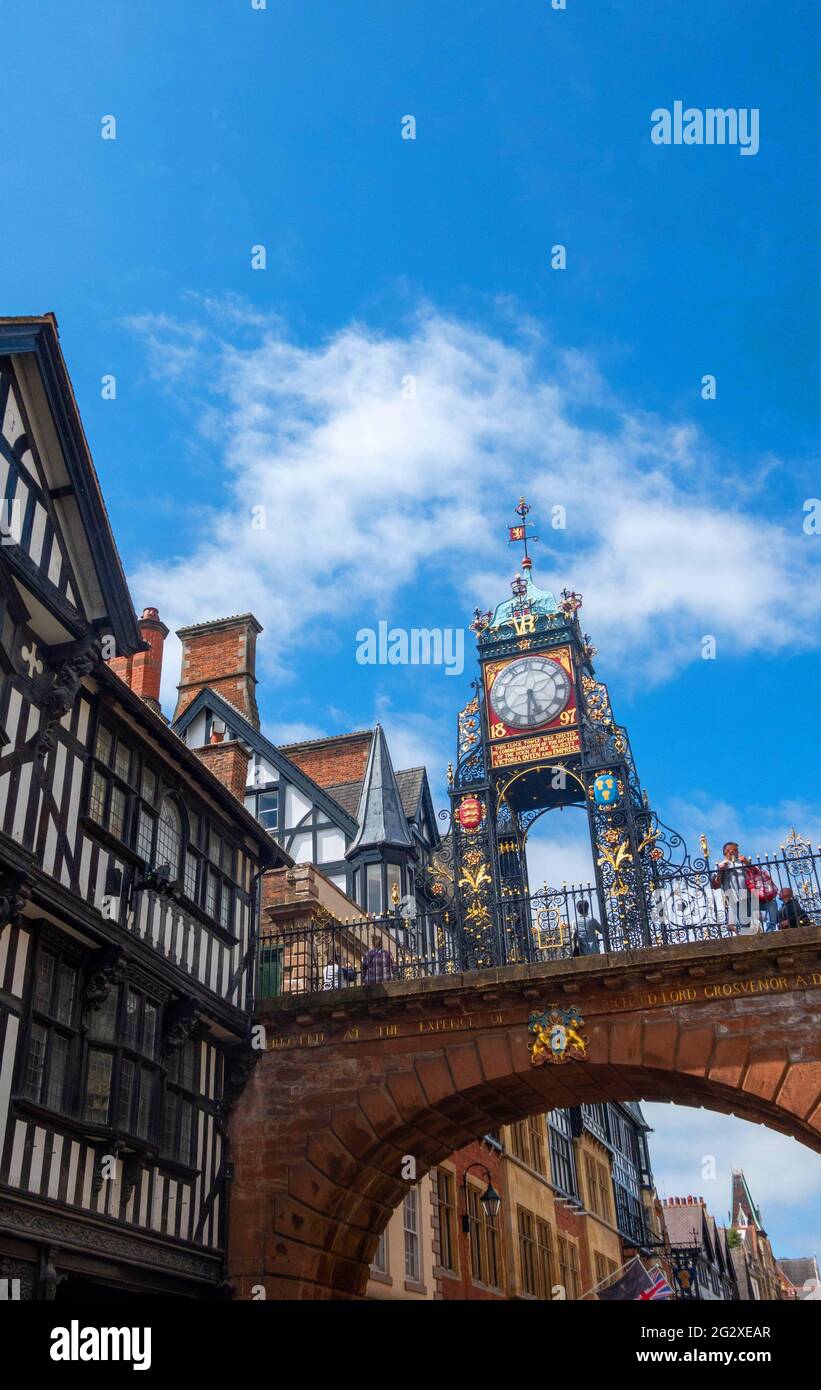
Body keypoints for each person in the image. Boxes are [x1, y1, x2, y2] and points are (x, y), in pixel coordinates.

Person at [711, 842, 757, 934]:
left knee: (754, 919)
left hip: (749, 894)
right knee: (744, 921)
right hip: (734, 896)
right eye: (735, 850)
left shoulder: (742, 862)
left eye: (737, 850)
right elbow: (716, 886)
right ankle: (741, 932)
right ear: (727, 851)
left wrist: (747, 862)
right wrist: (720, 871)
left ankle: (734, 927)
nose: (737, 852)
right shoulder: (720, 865)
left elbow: (756, 873)